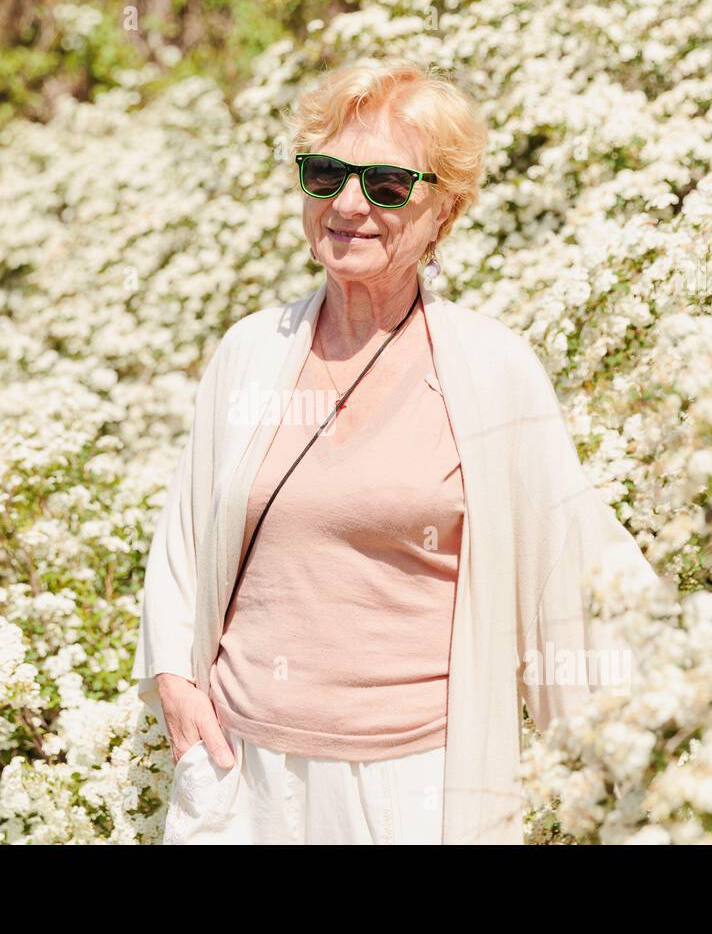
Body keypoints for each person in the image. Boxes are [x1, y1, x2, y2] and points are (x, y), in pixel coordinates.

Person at [133, 59, 661, 844]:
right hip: (242, 774)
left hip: (413, 781)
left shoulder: (491, 371)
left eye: (386, 185)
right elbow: (185, 539)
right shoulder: (250, 352)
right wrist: (174, 678)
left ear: (442, 212)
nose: (348, 205)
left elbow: (572, 568)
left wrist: (701, 700)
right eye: (325, 175)